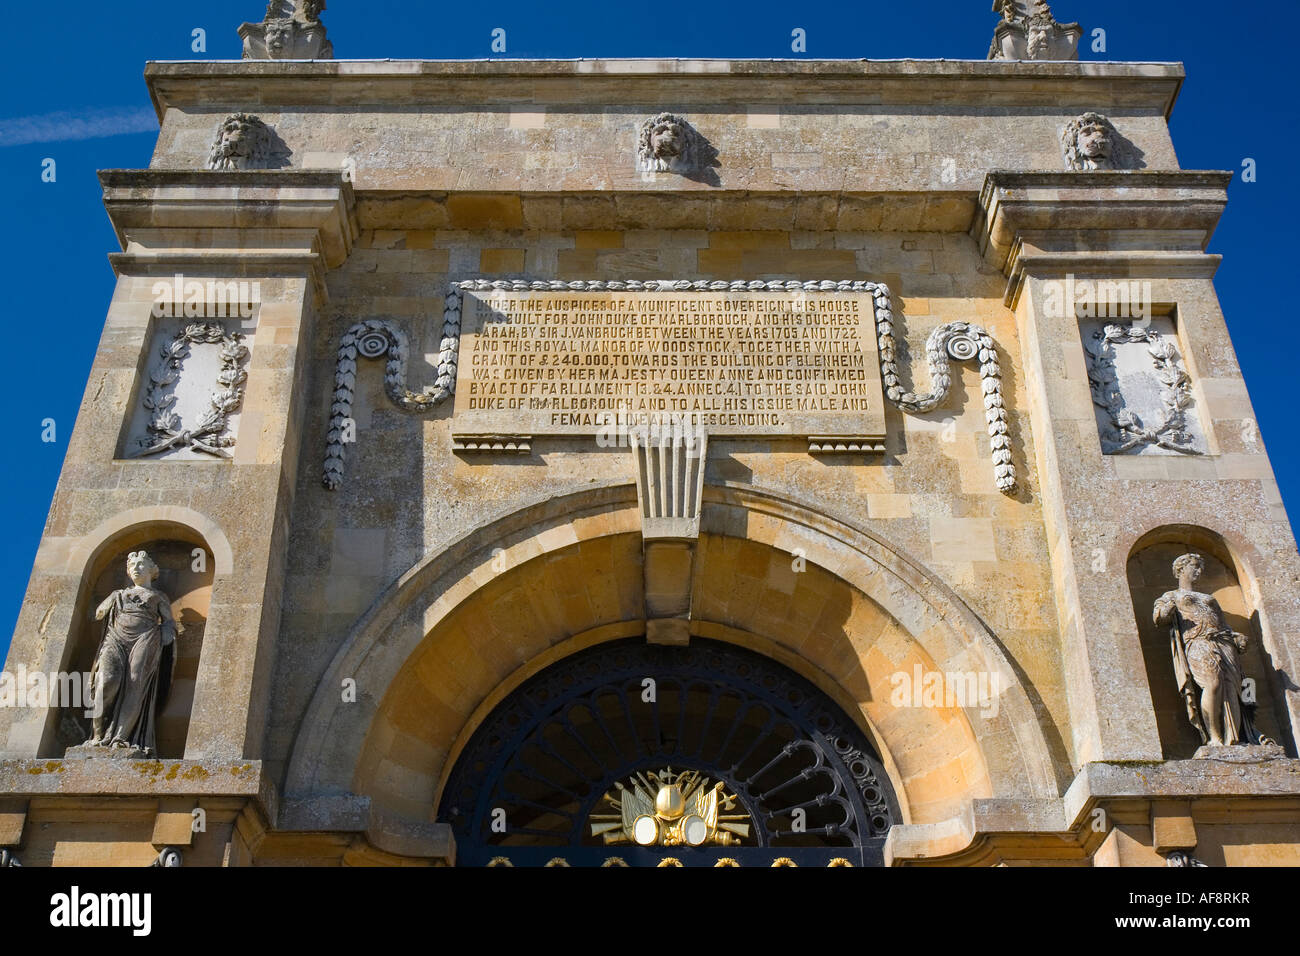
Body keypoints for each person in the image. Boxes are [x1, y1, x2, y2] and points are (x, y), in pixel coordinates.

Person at [1153, 552, 1262, 747]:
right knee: (1213, 684)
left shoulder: (1208, 597)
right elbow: (1159, 618)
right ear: (1181, 569)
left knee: (1233, 690)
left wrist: (1237, 637)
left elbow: (1223, 624)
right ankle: (1214, 737)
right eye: (1194, 566)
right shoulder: (1171, 595)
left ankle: (1233, 739)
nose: (1199, 570)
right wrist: (1167, 609)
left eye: (1200, 567)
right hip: (1197, 641)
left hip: (1224, 643)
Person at [85, 551, 181, 756]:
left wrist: (166, 632)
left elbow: (169, 621)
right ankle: (98, 737)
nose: (135, 568)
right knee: (106, 683)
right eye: (132, 566)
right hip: (115, 638)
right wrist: (108, 602)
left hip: (145, 638)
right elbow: (98, 613)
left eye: (140, 564)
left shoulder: (157, 596)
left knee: (136, 683)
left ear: (151, 570)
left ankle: (120, 737)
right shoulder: (118, 594)